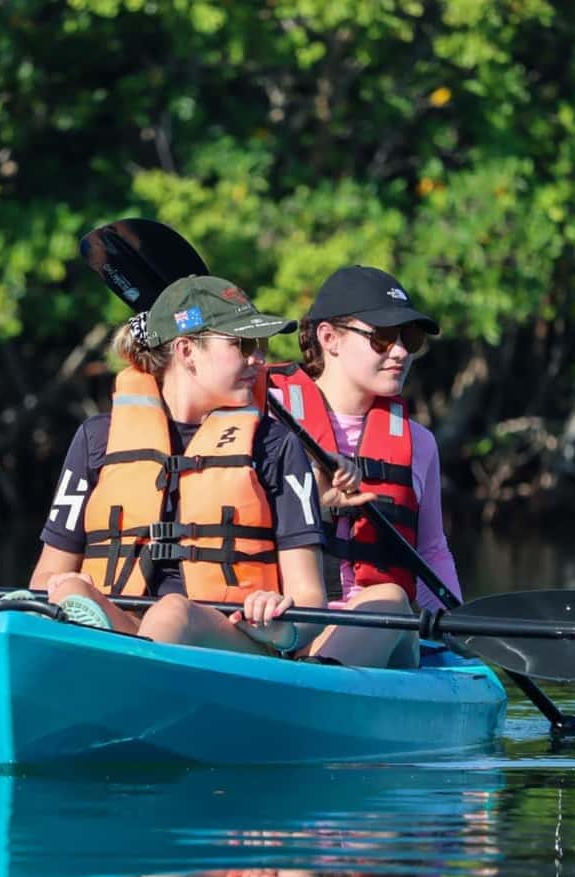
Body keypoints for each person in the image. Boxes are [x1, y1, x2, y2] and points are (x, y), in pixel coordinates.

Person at [29, 274, 367, 658]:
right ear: (187, 351)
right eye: (244, 344)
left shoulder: (275, 445)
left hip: (232, 645)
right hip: (125, 631)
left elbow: (309, 599)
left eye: (261, 345)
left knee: (174, 613)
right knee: (69, 591)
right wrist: (59, 587)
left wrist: (278, 626)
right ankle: (105, 662)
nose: (259, 358)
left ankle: (112, 676)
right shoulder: (96, 438)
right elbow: (45, 575)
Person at [269, 265, 463, 668]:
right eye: (382, 337)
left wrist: (458, 631)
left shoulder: (419, 445)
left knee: (390, 598)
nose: (400, 352)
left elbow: (430, 550)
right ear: (329, 338)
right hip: (283, 625)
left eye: (410, 339)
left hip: (385, 634)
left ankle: (320, 687)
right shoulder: (268, 421)